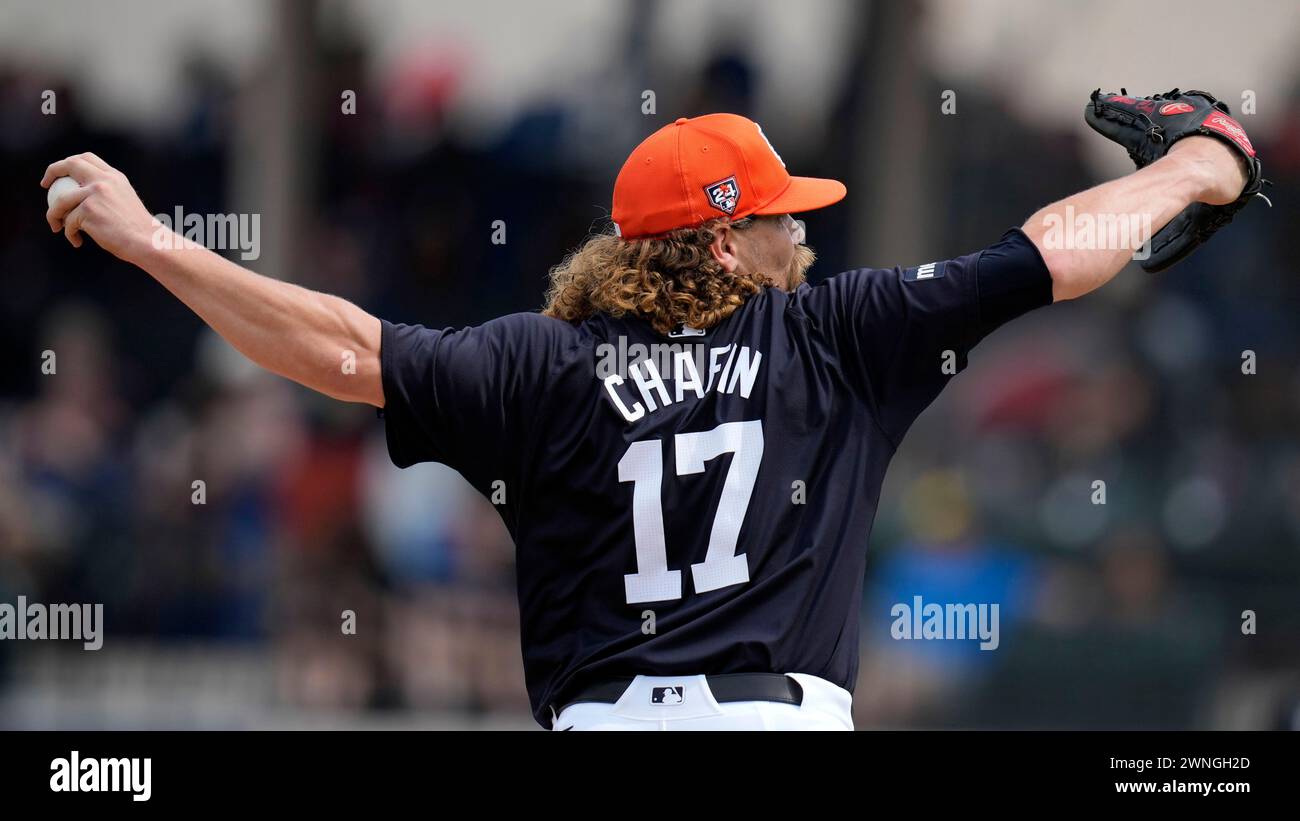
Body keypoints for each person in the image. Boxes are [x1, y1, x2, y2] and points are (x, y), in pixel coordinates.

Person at [41, 109, 1250, 731]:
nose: (802, 232)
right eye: (779, 216)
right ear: (724, 241)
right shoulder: (838, 336)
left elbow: (340, 346)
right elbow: (1052, 252)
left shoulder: (540, 364)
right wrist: (1198, 167)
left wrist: (152, 242)